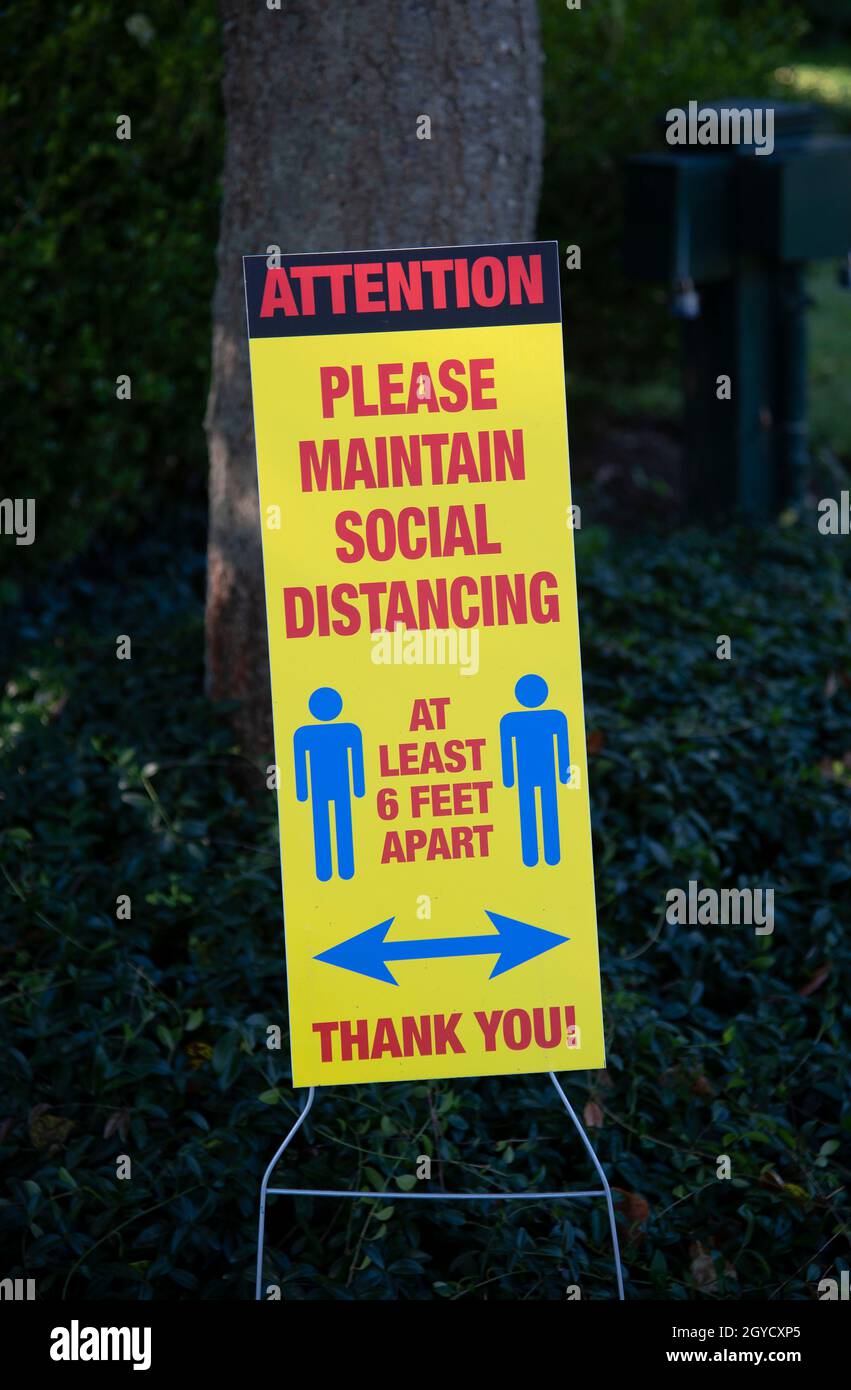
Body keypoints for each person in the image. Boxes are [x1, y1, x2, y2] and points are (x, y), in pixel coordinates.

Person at [294, 687, 365, 881]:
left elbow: (357, 761)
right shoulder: (304, 734)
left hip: (340, 786)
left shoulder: (349, 731)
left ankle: (346, 868)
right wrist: (302, 791)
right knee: (322, 827)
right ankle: (324, 870)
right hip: (320, 788)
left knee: (342, 825)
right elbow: (300, 764)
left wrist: (359, 787)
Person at [499, 674, 569, 867]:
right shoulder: (510, 720)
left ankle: (552, 855)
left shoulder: (555, 717)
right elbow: (506, 750)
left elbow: (562, 746)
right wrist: (508, 777)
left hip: (545, 772)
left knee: (548, 811)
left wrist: (564, 772)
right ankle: (531, 856)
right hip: (526, 774)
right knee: (529, 813)